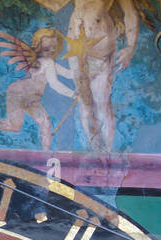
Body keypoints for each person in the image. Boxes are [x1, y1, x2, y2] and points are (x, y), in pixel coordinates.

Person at [34, 0, 139, 152]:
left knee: (101, 101)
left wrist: (130, 47)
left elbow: (130, 12)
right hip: (75, 44)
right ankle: (95, 151)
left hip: (102, 45)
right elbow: (54, 4)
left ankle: (108, 152)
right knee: (84, 104)